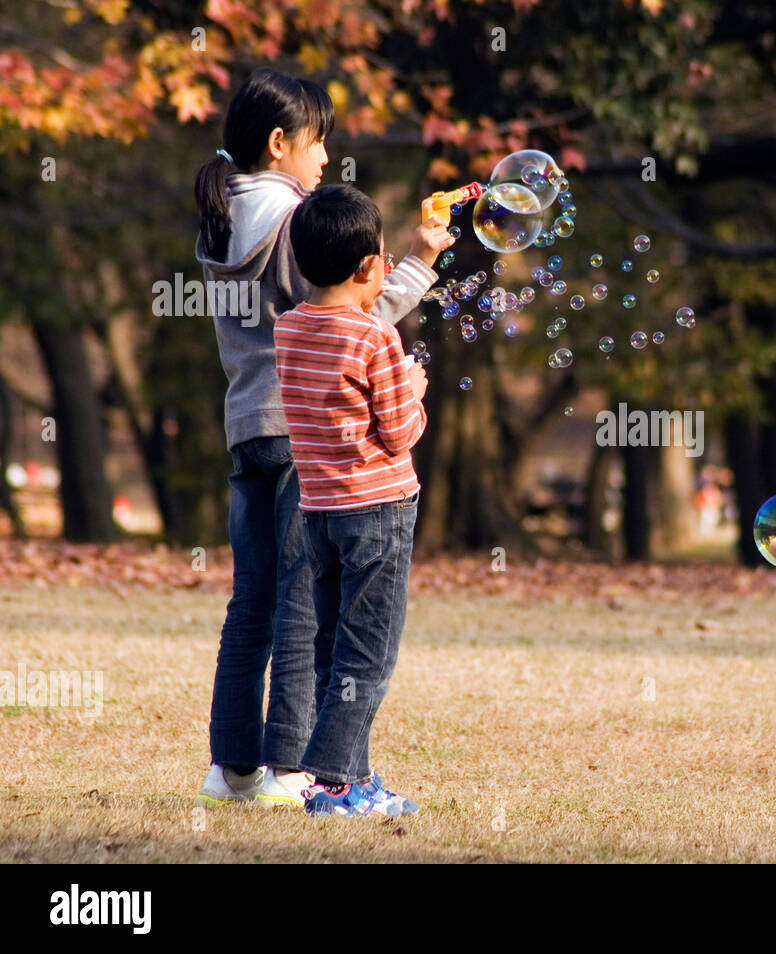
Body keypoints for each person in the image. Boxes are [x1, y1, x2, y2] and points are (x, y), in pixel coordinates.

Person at [193, 68, 450, 807]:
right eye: (318, 143)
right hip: (308, 433)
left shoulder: (220, 214)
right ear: (280, 143)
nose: (326, 160)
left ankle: (231, 767)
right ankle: (292, 769)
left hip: (248, 426)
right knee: (305, 604)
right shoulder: (295, 220)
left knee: (253, 601)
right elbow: (352, 322)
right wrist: (422, 262)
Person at [275, 185, 430, 816]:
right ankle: (334, 783)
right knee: (368, 654)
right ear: (370, 268)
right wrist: (414, 388)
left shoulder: (289, 329)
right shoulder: (374, 339)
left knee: (333, 646)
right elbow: (398, 433)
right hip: (378, 511)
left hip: (320, 512)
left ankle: (356, 779)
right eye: (386, 259)